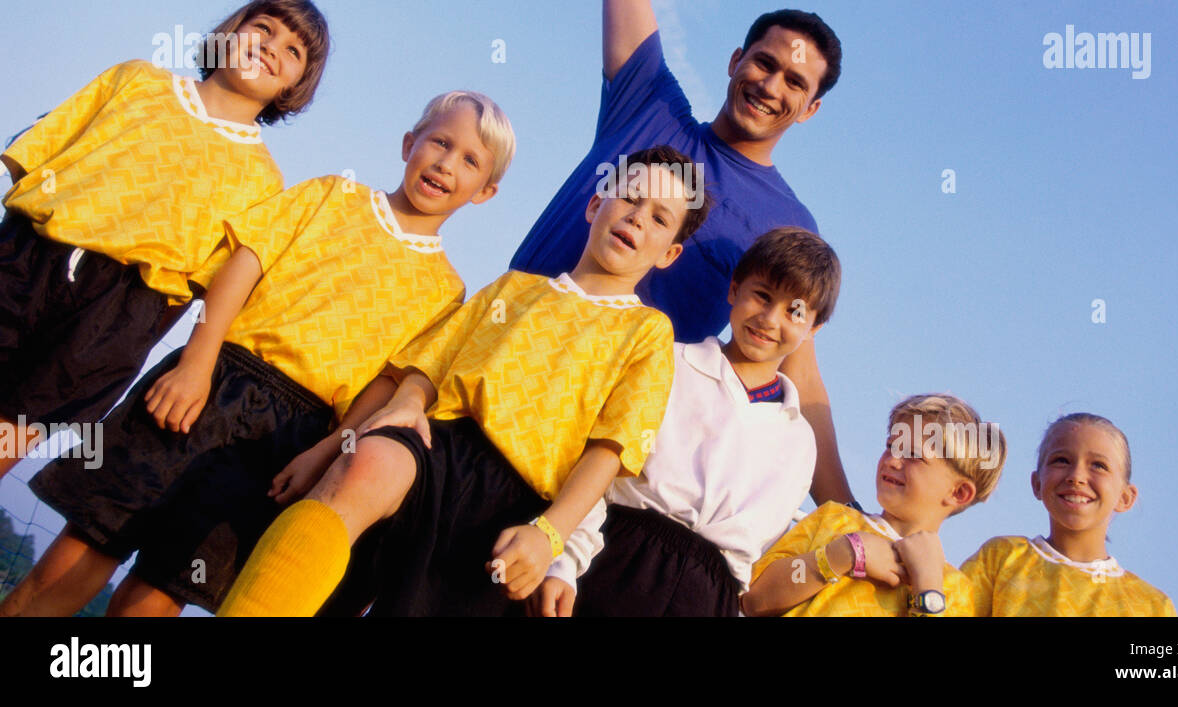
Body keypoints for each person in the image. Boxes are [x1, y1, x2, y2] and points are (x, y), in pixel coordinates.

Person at [3, 91, 510, 616]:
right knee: (87, 544)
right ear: (410, 144)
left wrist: (326, 451)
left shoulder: (448, 291)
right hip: (210, 383)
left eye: (470, 160)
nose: (447, 164)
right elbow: (243, 265)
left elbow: (386, 385)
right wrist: (196, 364)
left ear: (485, 191)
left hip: (289, 439)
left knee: (160, 590)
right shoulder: (331, 195)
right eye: (440, 142)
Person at [218, 145, 709, 617]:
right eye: (630, 197)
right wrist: (406, 403)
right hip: (436, 446)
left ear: (669, 254)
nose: (638, 217)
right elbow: (429, 365)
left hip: (516, 505)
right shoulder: (513, 287)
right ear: (597, 203)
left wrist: (551, 534)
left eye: (660, 217)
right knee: (363, 463)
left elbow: (609, 451)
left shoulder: (648, 334)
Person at [511, 0, 855, 505]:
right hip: (508, 352)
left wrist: (843, 511)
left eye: (795, 83)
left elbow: (800, 371)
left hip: (603, 445)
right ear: (736, 60)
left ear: (810, 109)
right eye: (765, 62)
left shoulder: (790, 225)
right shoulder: (647, 105)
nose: (771, 85)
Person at [0, 0, 329, 478]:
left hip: (118, 311)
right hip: (30, 255)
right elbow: (31, 155)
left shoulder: (264, 181)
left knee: (10, 429)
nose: (271, 47)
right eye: (264, 28)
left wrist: (121, 338)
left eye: (293, 50)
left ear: (296, 85)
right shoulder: (136, 80)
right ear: (231, 32)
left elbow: (201, 284)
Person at [533, 226, 840, 618]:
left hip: (712, 596)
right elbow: (595, 465)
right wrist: (564, 562)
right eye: (761, 296)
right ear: (734, 290)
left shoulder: (800, 441)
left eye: (794, 311)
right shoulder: (665, 362)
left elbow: (760, 558)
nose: (768, 318)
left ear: (812, 329)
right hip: (617, 556)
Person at [744, 394, 1006, 617]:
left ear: (958, 492)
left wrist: (928, 589)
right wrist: (844, 554)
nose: (892, 460)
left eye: (913, 454)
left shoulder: (955, 590)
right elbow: (756, 598)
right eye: (891, 446)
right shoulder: (833, 519)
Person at [961, 412, 1176, 616]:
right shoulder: (1002, 560)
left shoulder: (1151, 605)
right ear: (1037, 483)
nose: (1077, 476)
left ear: (1125, 497)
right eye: (1061, 460)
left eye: (1099, 465)